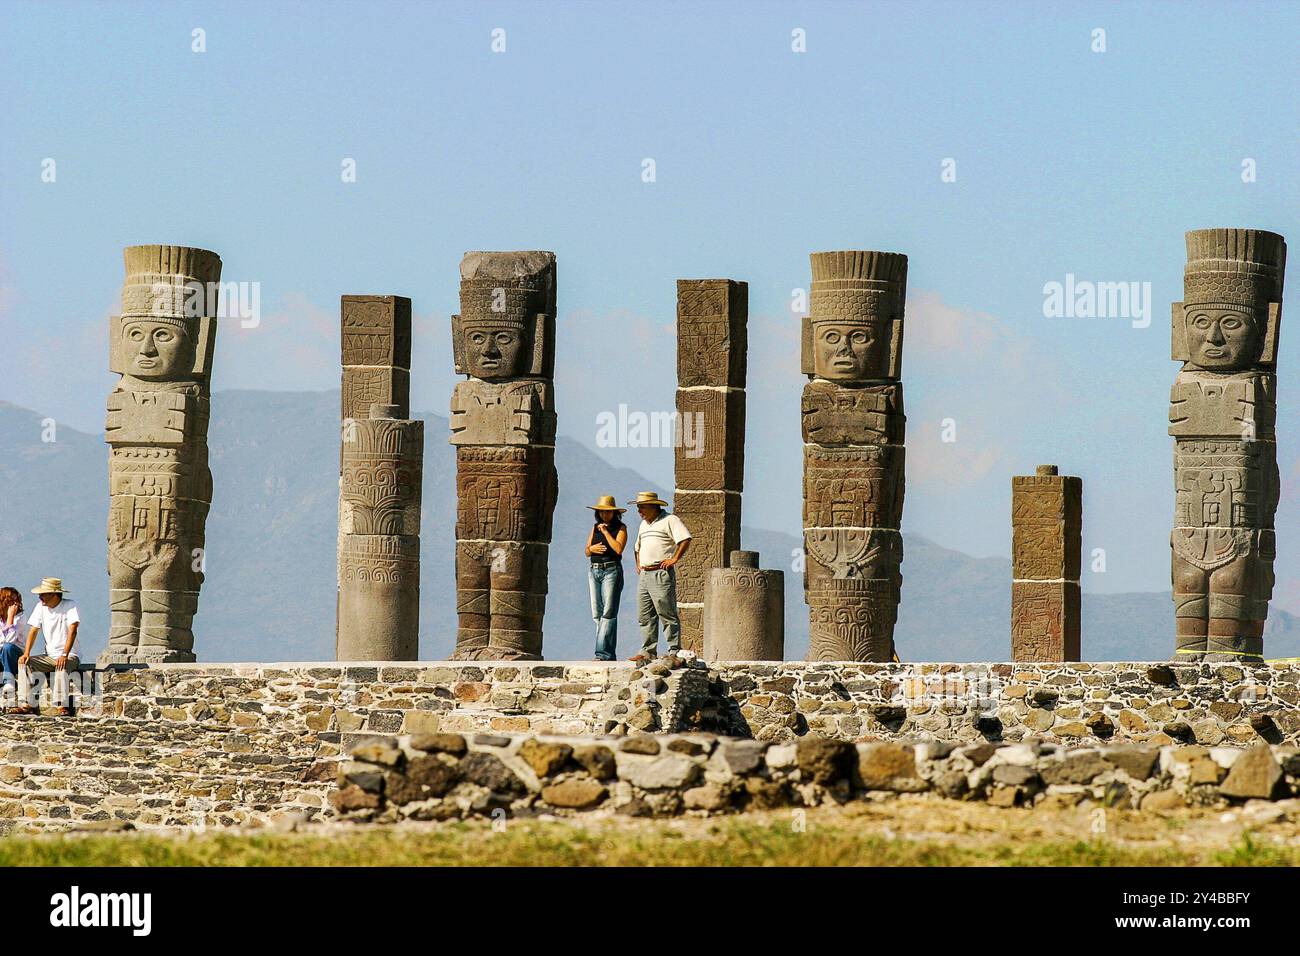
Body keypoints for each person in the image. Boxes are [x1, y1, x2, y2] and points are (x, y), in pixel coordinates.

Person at [627, 491, 691, 663]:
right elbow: (637, 547)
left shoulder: (670, 520)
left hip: (660, 573)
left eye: (642, 507)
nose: (639, 510)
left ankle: (674, 649)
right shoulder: (643, 525)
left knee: (666, 611)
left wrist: (674, 558)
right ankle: (648, 650)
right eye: (638, 507)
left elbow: (685, 539)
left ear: (654, 506)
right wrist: (638, 564)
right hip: (645, 574)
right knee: (644, 614)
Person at [13, 578, 81, 716]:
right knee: (24, 664)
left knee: (61, 668)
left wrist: (64, 654)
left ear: (54, 595)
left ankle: (61, 706)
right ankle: (27, 704)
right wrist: (26, 653)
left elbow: (72, 630)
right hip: (49, 655)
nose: (40, 597)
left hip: (70, 655)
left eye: (43, 594)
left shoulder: (70, 605)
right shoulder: (40, 607)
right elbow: (33, 630)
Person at [584, 495, 628, 661]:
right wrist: (592, 548)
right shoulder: (595, 527)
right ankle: (605, 652)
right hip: (594, 570)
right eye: (602, 512)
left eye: (608, 512)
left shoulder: (621, 528)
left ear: (615, 513)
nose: (605, 515)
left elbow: (618, 549)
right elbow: (586, 551)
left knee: (609, 612)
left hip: (611, 570)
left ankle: (603, 653)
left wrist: (606, 532)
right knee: (597, 613)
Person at [0, 587, 23, 710]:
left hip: (14, 654)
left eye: (16, 601)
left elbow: (9, 640)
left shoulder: (20, 619)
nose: (14, 604)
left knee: (7, 647)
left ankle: (9, 681)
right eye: (11, 601)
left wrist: (10, 619)